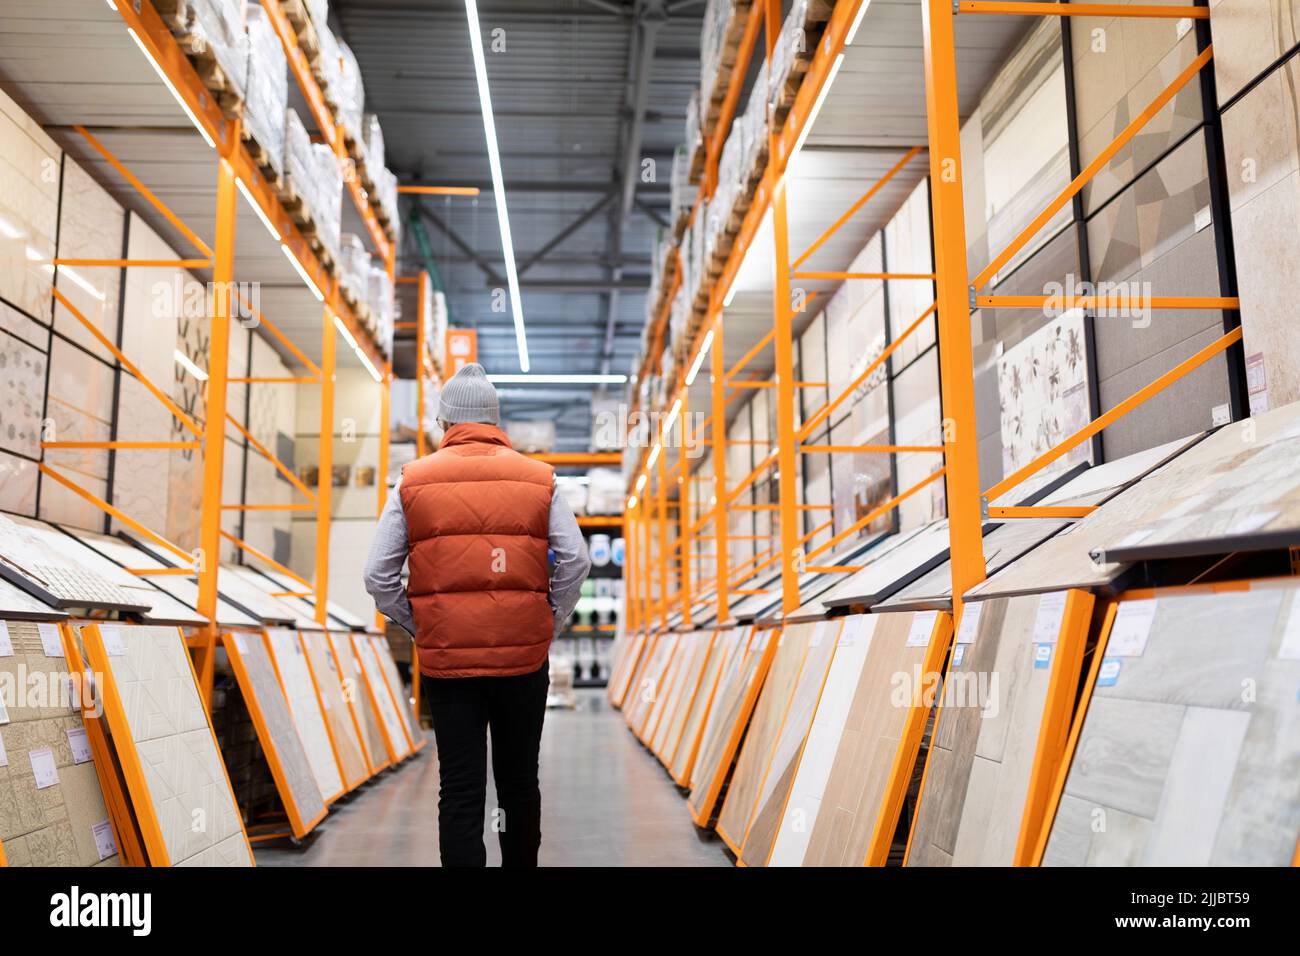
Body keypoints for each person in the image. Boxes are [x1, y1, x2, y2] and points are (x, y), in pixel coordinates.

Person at [363, 363, 591, 866]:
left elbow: (378, 576)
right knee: (518, 785)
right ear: (496, 420)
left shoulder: (412, 481)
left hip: (449, 667)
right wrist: (546, 623)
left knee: (460, 789)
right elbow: (576, 560)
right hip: (524, 665)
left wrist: (422, 625)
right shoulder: (540, 479)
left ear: (445, 424)